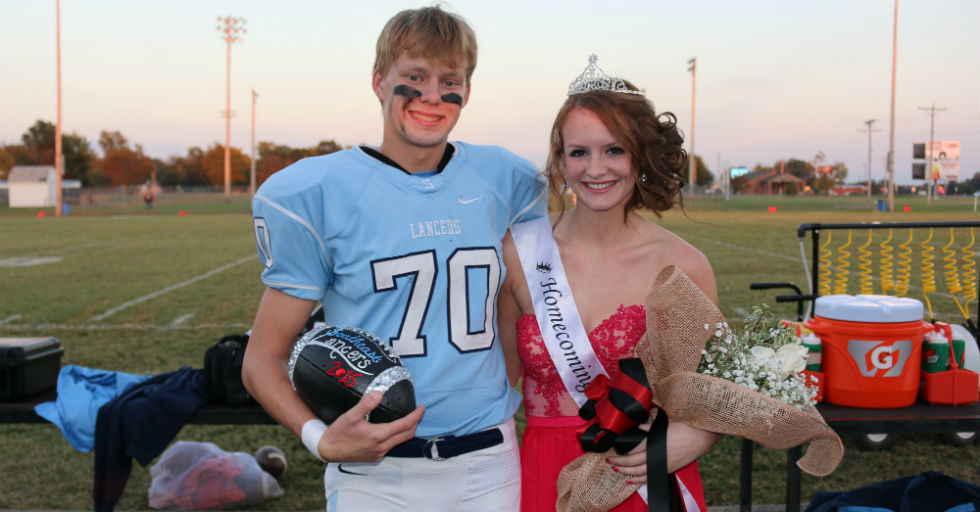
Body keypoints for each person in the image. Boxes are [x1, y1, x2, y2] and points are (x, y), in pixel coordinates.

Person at [241, 6, 545, 512]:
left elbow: (515, 309)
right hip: (373, 474)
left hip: (487, 464)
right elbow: (261, 359)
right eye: (414, 77)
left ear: (467, 92)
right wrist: (318, 438)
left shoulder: (507, 178)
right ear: (380, 81)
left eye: (450, 80)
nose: (432, 96)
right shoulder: (316, 192)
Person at [498, 55, 721, 512]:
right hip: (547, 477)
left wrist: (699, 435)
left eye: (613, 150)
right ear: (561, 160)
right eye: (579, 152)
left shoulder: (683, 265)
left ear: (640, 155)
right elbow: (496, 381)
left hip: (645, 476)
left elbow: (714, 390)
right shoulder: (519, 254)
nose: (595, 169)